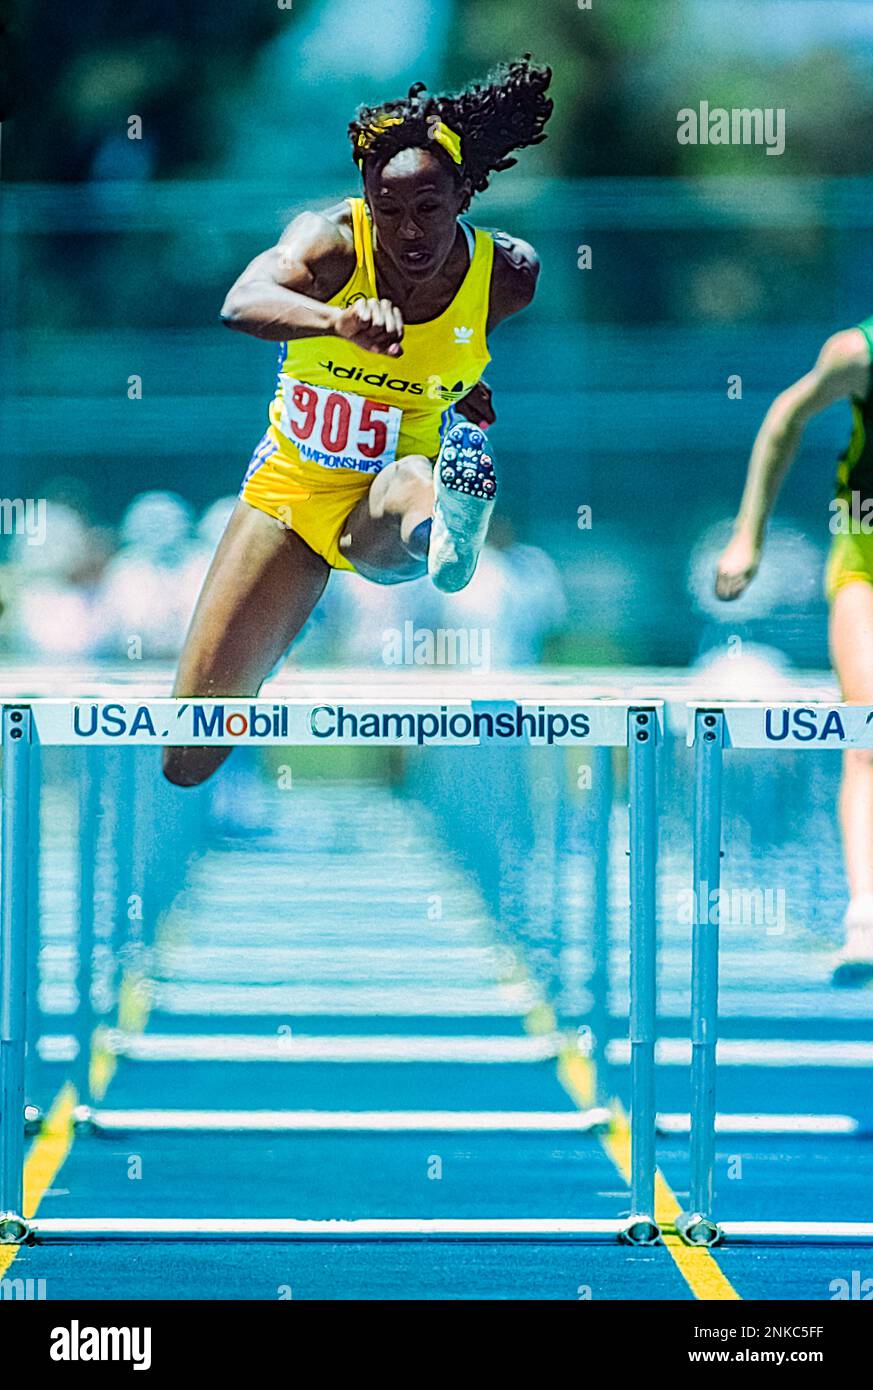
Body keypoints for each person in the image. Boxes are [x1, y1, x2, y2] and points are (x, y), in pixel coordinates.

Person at [163, 56, 553, 789]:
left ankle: (449, 537)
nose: (408, 230)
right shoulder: (331, 244)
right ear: (365, 200)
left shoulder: (508, 275)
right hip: (285, 499)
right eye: (388, 207)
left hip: (382, 504)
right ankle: (281, 635)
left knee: (409, 479)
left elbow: (460, 347)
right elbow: (241, 300)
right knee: (188, 756)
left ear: (464, 195)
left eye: (429, 208)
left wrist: (463, 386)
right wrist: (334, 320)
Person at [715, 317, 873, 985]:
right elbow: (784, 416)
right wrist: (747, 535)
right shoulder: (855, 353)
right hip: (864, 560)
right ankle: (865, 918)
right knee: (865, 732)